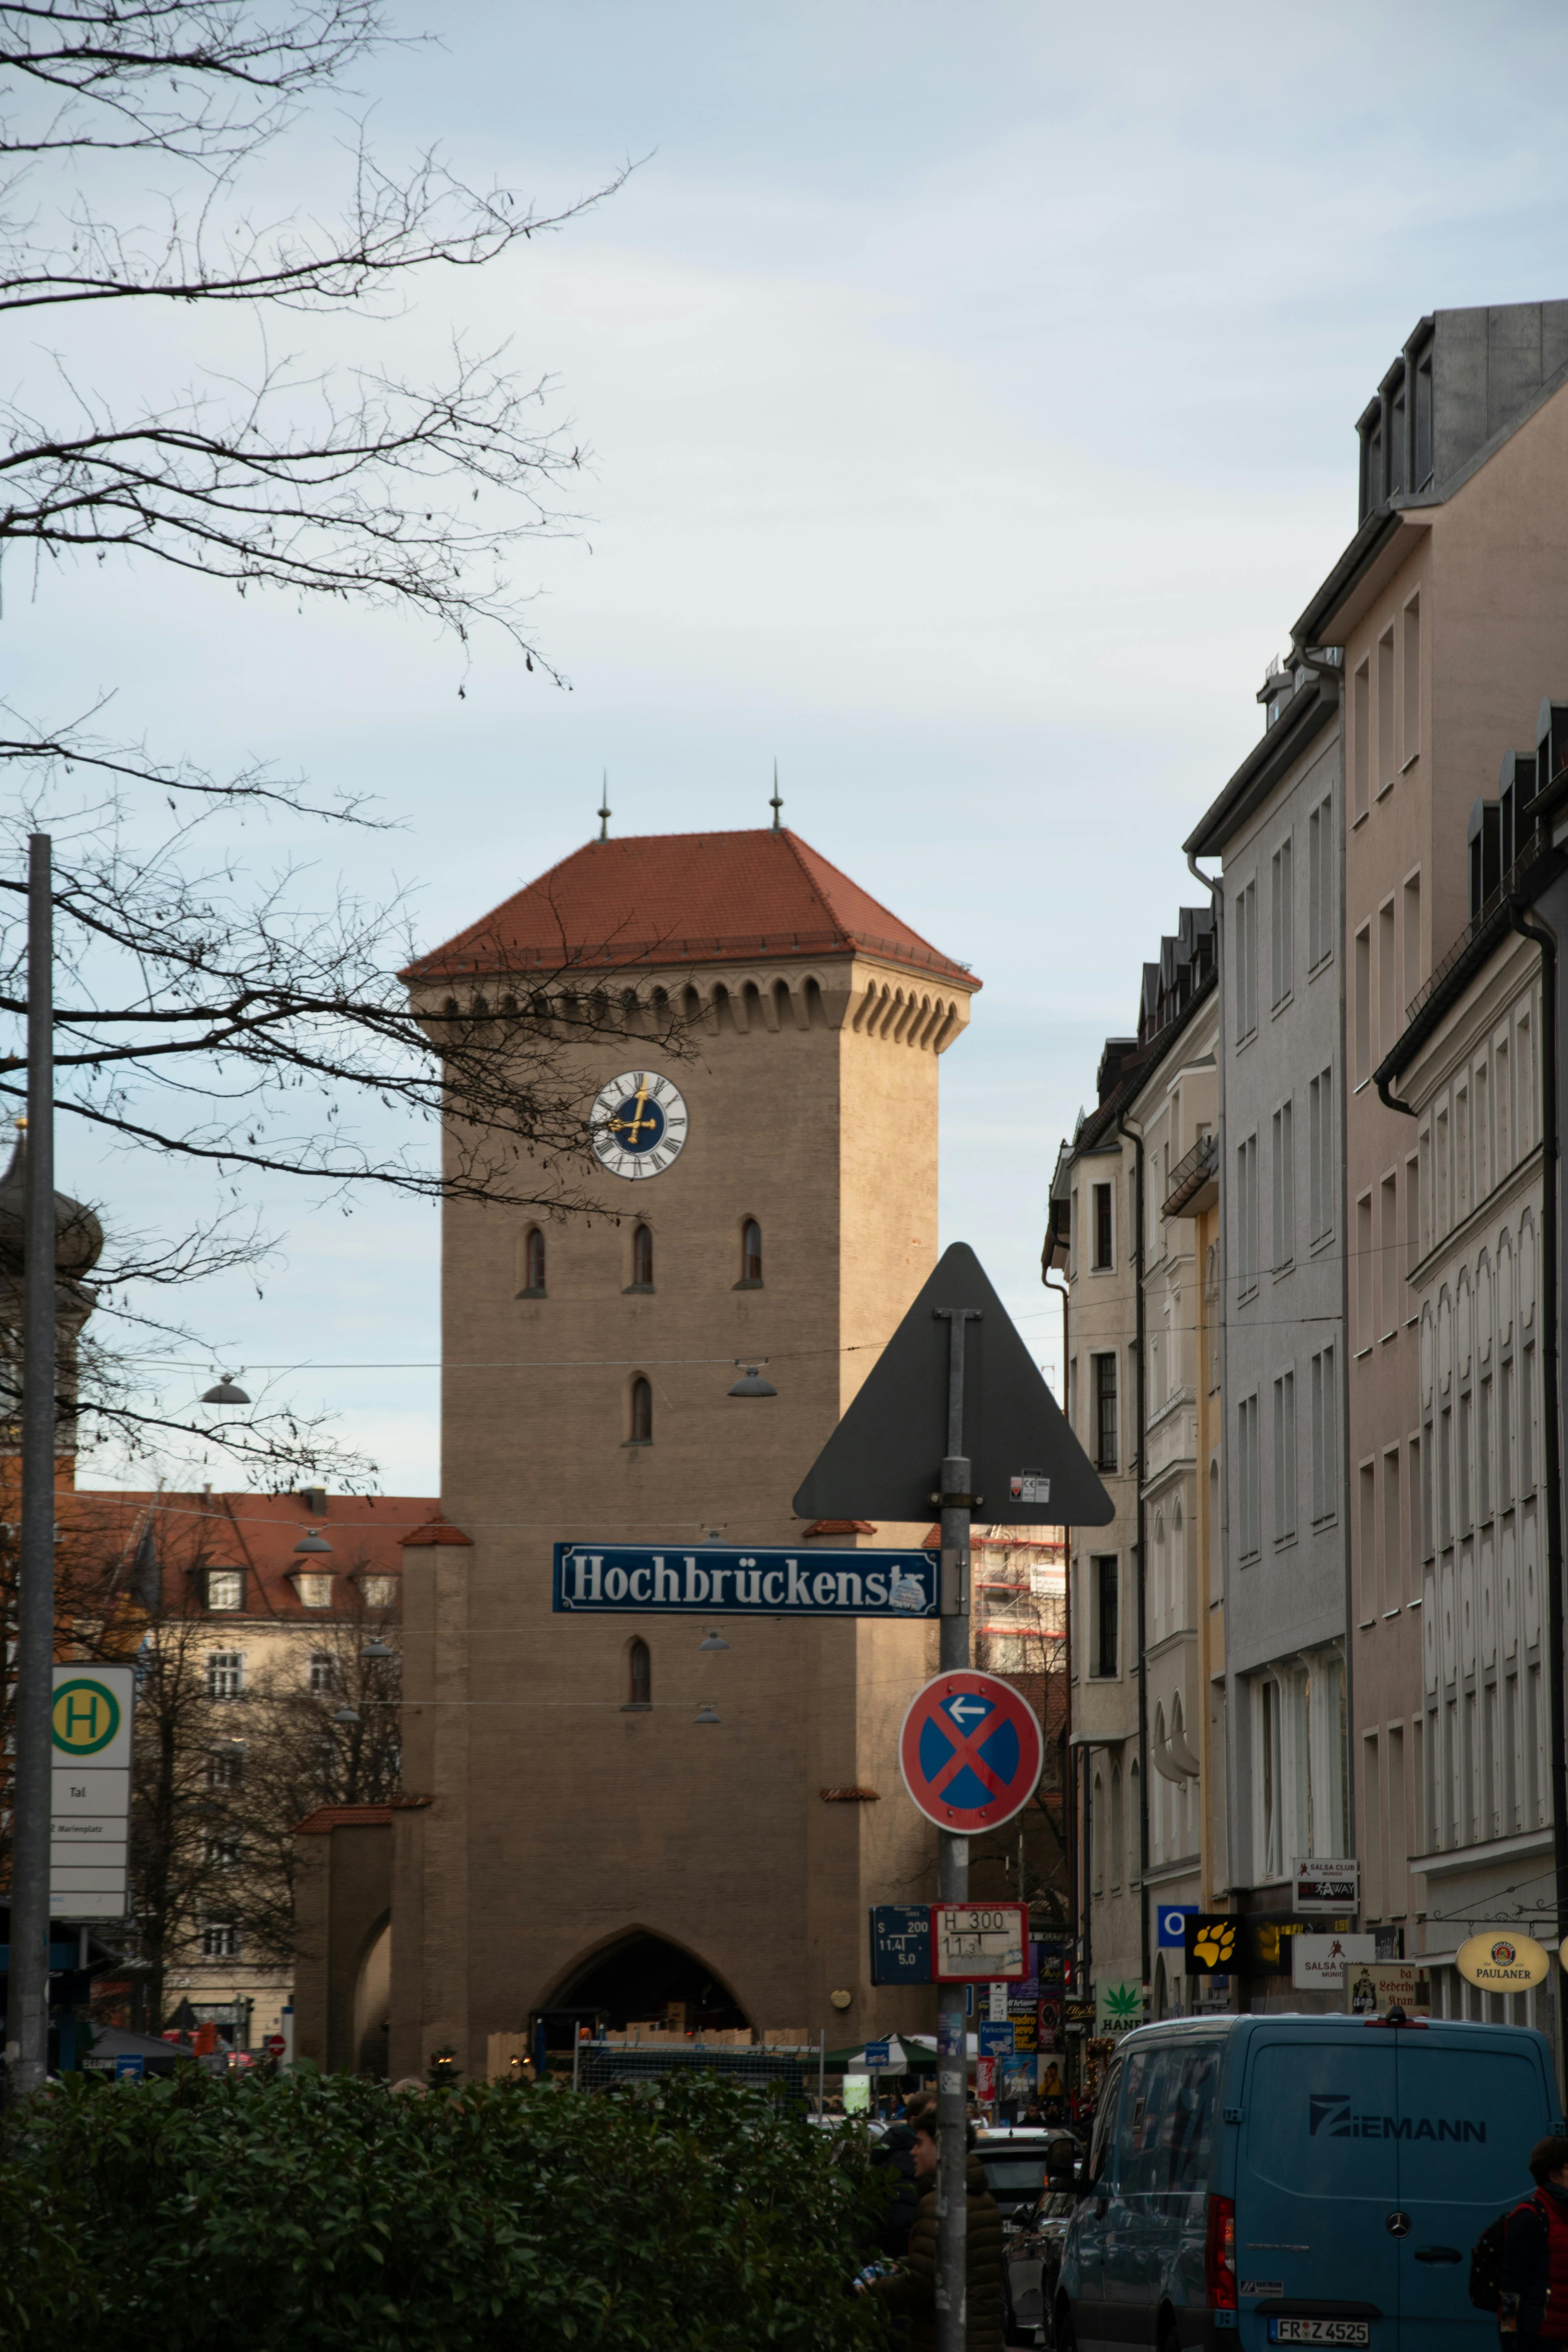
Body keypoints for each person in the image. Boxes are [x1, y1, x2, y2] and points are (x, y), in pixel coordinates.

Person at [861, 2114, 1006, 2351]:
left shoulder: (939, 2204)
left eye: (919, 2143)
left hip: (944, 2338)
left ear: (941, 2145)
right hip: (980, 2338)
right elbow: (949, 2264)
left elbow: (923, 2281)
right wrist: (903, 2264)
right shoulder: (984, 2199)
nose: (913, 2152)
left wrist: (871, 2288)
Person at [1500, 2136, 1568, 2344]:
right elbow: (1511, 2288)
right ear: (1553, 2175)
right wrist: (1510, 2340)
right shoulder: (1531, 2218)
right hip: (1542, 2339)